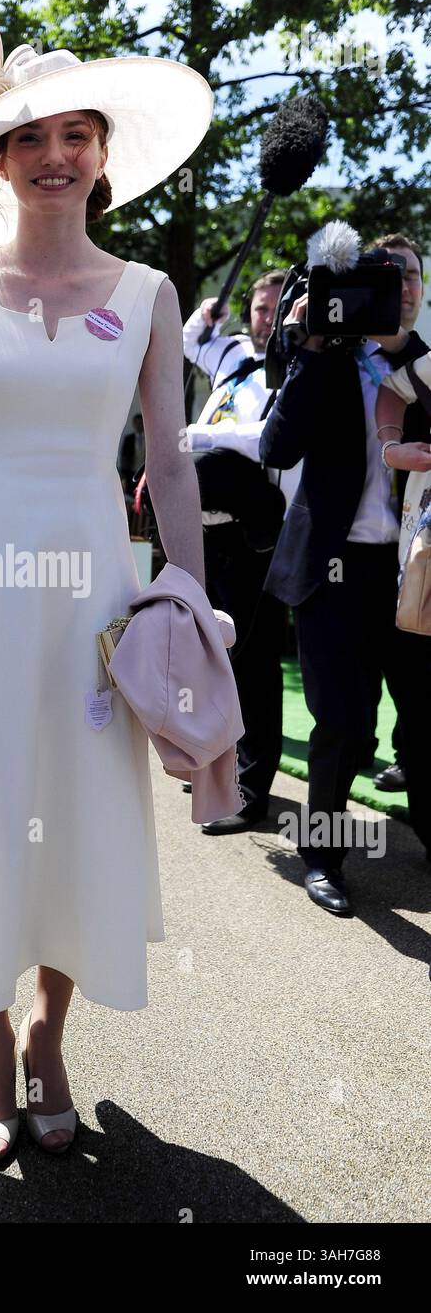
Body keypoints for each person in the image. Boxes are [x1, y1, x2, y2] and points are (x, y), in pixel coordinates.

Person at [0, 0, 214, 1163]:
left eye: (75, 133)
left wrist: (191, 603)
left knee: (71, 811)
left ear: (103, 153)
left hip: (94, 599)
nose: (55, 154)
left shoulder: (150, 296)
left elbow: (168, 463)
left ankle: (51, 1033)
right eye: (30, 136)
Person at [259, 233, 431, 915]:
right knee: (339, 721)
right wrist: (306, 347)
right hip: (330, 570)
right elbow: (276, 446)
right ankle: (321, 857)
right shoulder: (326, 360)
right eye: (389, 278)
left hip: (408, 571)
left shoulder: (425, 367)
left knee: (421, 718)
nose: (405, 287)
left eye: (413, 276)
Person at [182, 272, 298, 833]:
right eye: (258, 307)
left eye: (277, 309)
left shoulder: (294, 367)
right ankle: (214, 760)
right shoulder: (230, 354)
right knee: (212, 651)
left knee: (253, 663)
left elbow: (266, 440)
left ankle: (251, 790)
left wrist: (199, 439)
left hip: (255, 537)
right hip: (208, 534)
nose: (265, 317)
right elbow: (187, 342)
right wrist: (205, 317)